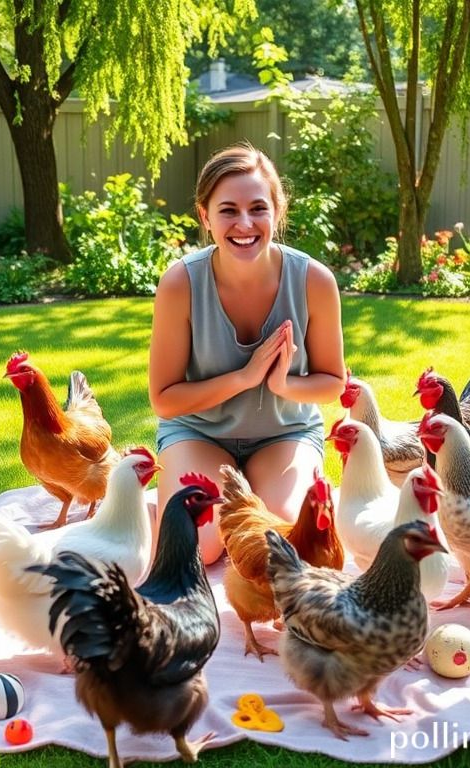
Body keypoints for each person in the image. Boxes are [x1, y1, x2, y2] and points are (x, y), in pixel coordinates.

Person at [148, 142, 346, 564]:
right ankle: (157, 510)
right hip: (199, 433)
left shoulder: (315, 281)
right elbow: (164, 398)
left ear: (278, 211)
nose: (244, 223)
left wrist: (281, 383)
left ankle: (252, 489)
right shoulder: (180, 284)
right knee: (199, 547)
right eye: (227, 210)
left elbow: (333, 383)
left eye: (258, 208)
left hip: (284, 434)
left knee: (288, 549)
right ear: (204, 216)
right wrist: (243, 378)